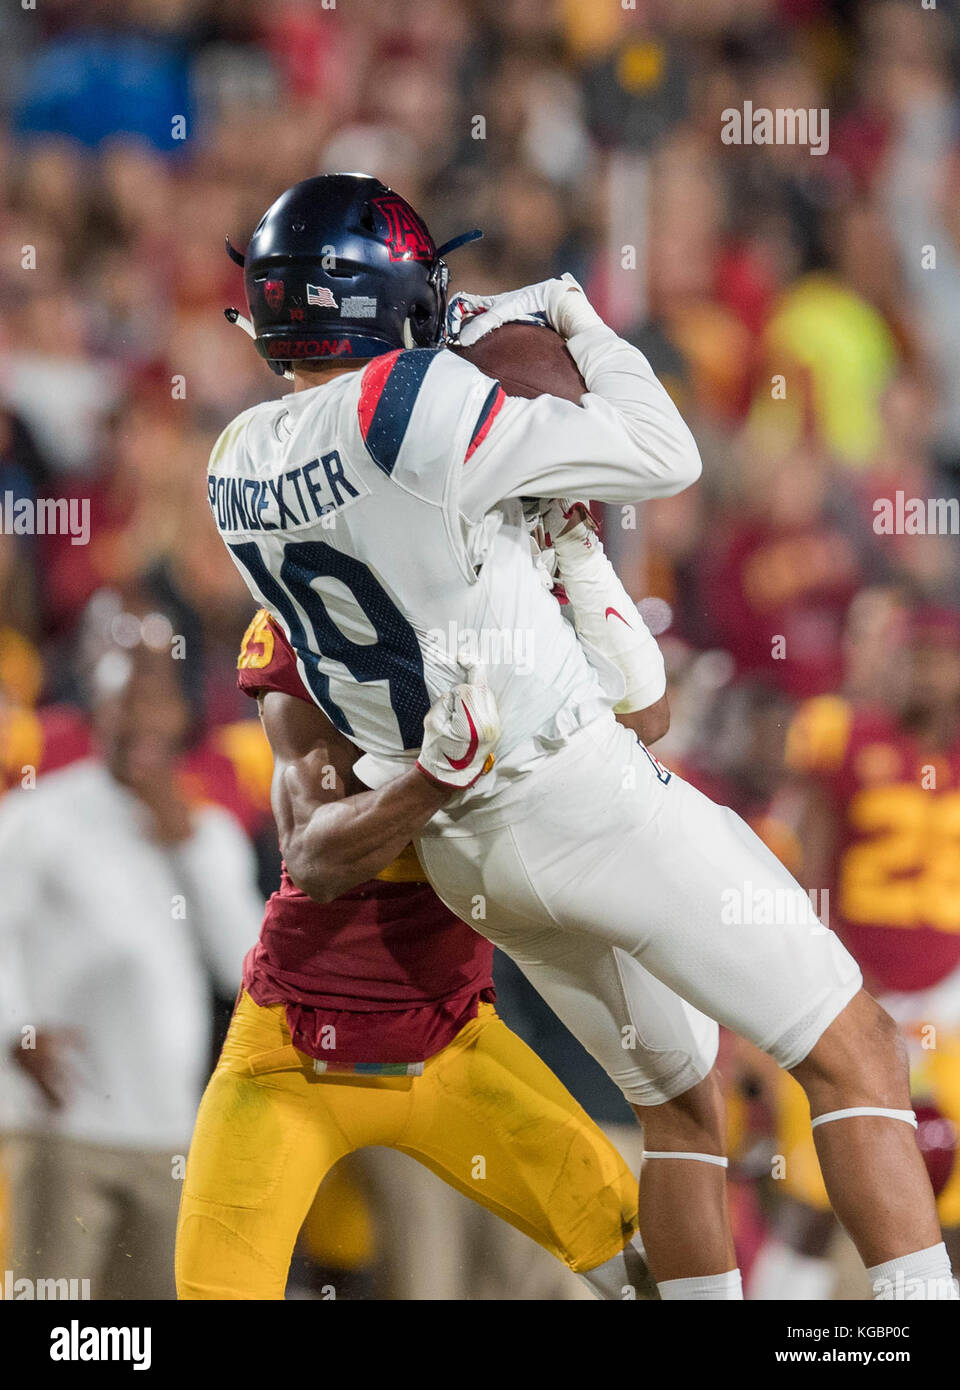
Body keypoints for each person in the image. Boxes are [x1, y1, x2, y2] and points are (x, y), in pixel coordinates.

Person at [207, 172, 955, 1300]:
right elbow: (667, 454)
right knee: (858, 1051)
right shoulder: (408, 406)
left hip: (468, 850)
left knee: (682, 1110)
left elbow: (442, 556)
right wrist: (571, 314)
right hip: (576, 792)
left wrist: (543, 528)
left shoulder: (235, 462)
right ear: (381, 303)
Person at [176, 605, 661, 1300]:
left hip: (453, 1043)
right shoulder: (299, 624)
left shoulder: (503, 609)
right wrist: (435, 779)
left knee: (638, 1259)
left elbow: (644, 725)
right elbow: (313, 857)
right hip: (291, 1054)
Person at [0, 617, 262, 1299]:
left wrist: (188, 849)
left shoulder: (209, 834)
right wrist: (13, 1030)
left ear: (180, 716)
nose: (140, 718)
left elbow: (245, 969)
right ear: (97, 711)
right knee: (54, 1318)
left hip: (170, 1131)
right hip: (62, 1123)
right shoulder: (37, 818)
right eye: (123, 700)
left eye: (155, 701)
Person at [752, 605, 960, 1298]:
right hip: (850, 993)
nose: (928, 673)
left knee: (949, 1207)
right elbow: (796, 861)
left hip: (948, 1004)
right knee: (815, 1197)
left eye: (942, 657)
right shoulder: (840, 735)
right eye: (916, 654)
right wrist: (827, 962)